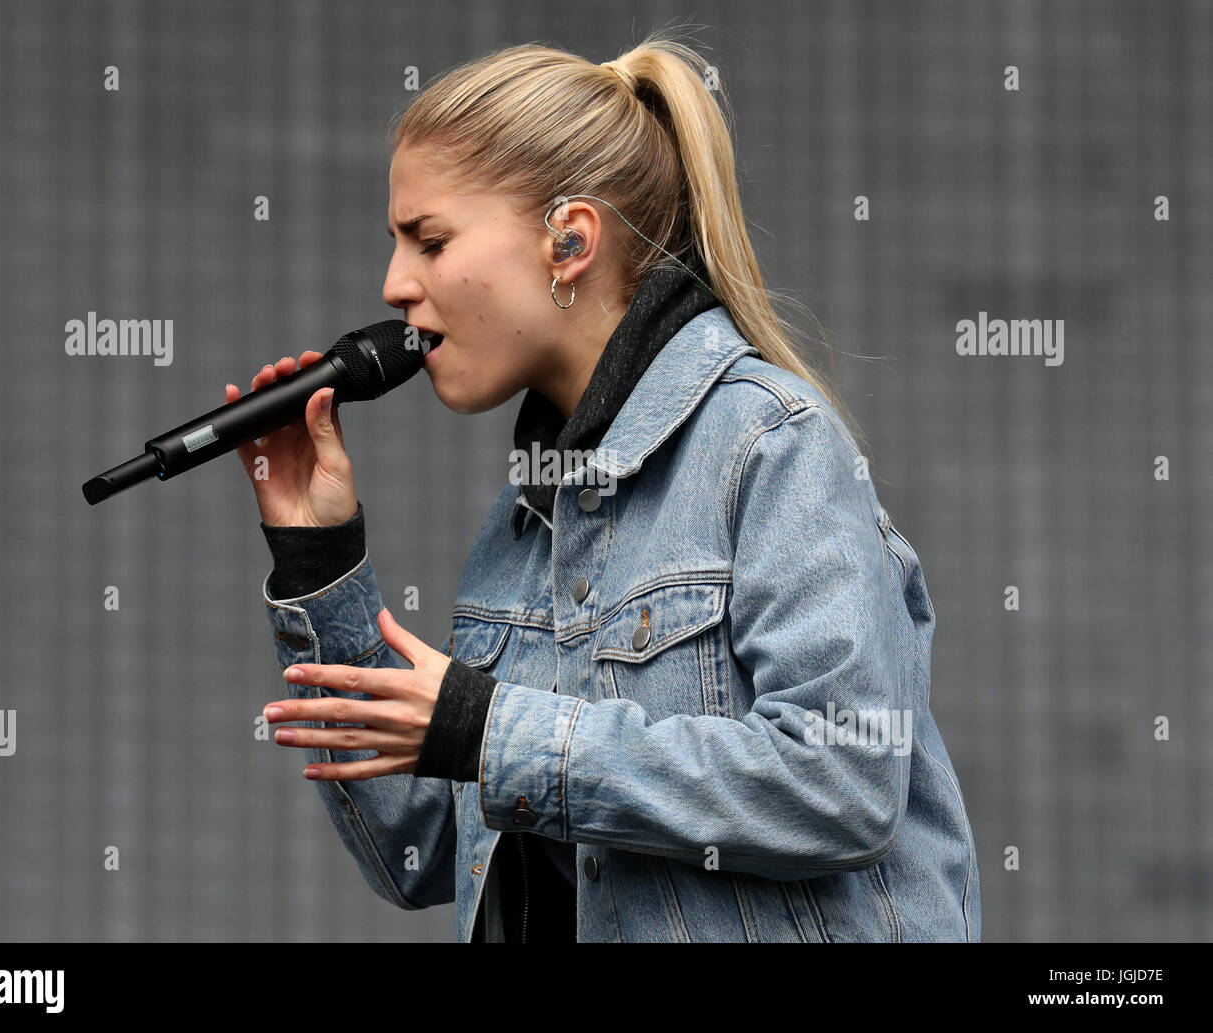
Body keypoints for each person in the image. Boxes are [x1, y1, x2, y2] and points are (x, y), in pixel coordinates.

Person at [226, 32, 980, 942]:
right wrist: (320, 553)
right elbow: (421, 851)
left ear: (569, 241)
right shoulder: (526, 520)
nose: (395, 285)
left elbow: (843, 781)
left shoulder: (770, 445)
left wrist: (494, 727)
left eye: (429, 240)